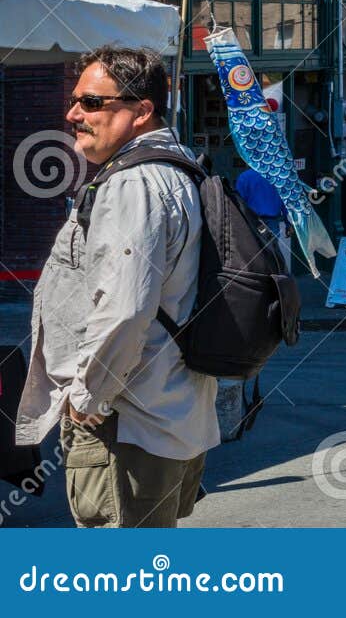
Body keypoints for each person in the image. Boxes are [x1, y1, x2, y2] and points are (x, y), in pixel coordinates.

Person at [16, 46, 216, 527]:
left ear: (142, 111)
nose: (73, 114)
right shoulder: (177, 164)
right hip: (169, 411)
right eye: (74, 100)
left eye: (91, 102)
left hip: (128, 421)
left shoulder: (133, 184)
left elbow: (125, 306)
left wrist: (87, 399)